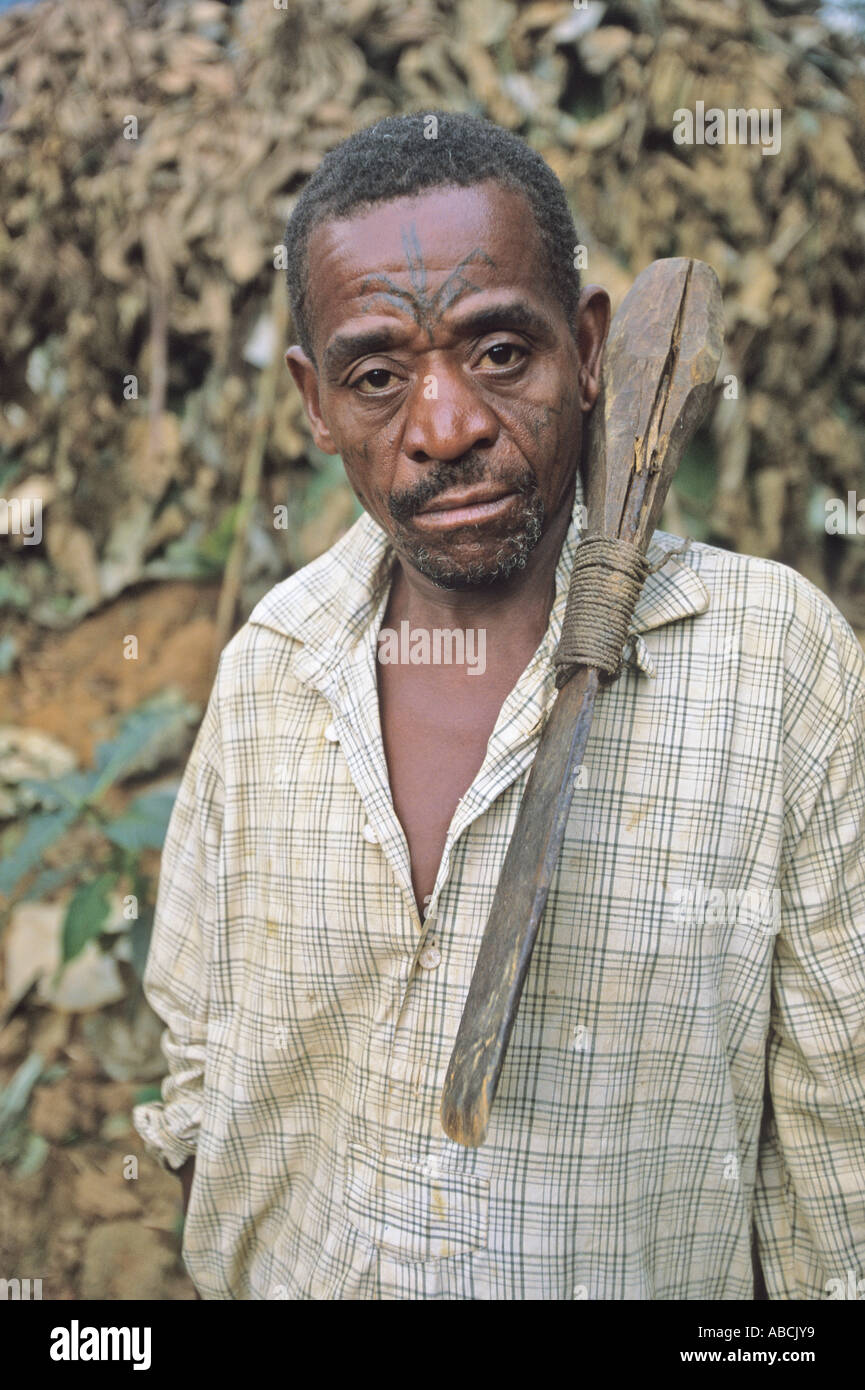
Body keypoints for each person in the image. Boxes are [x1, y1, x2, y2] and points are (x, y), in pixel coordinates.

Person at [133, 111, 865, 1300]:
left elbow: (841, 1163)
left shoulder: (776, 665)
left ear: (588, 347)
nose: (445, 426)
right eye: (377, 377)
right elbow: (203, 1049)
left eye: (498, 354)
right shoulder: (272, 665)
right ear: (316, 406)